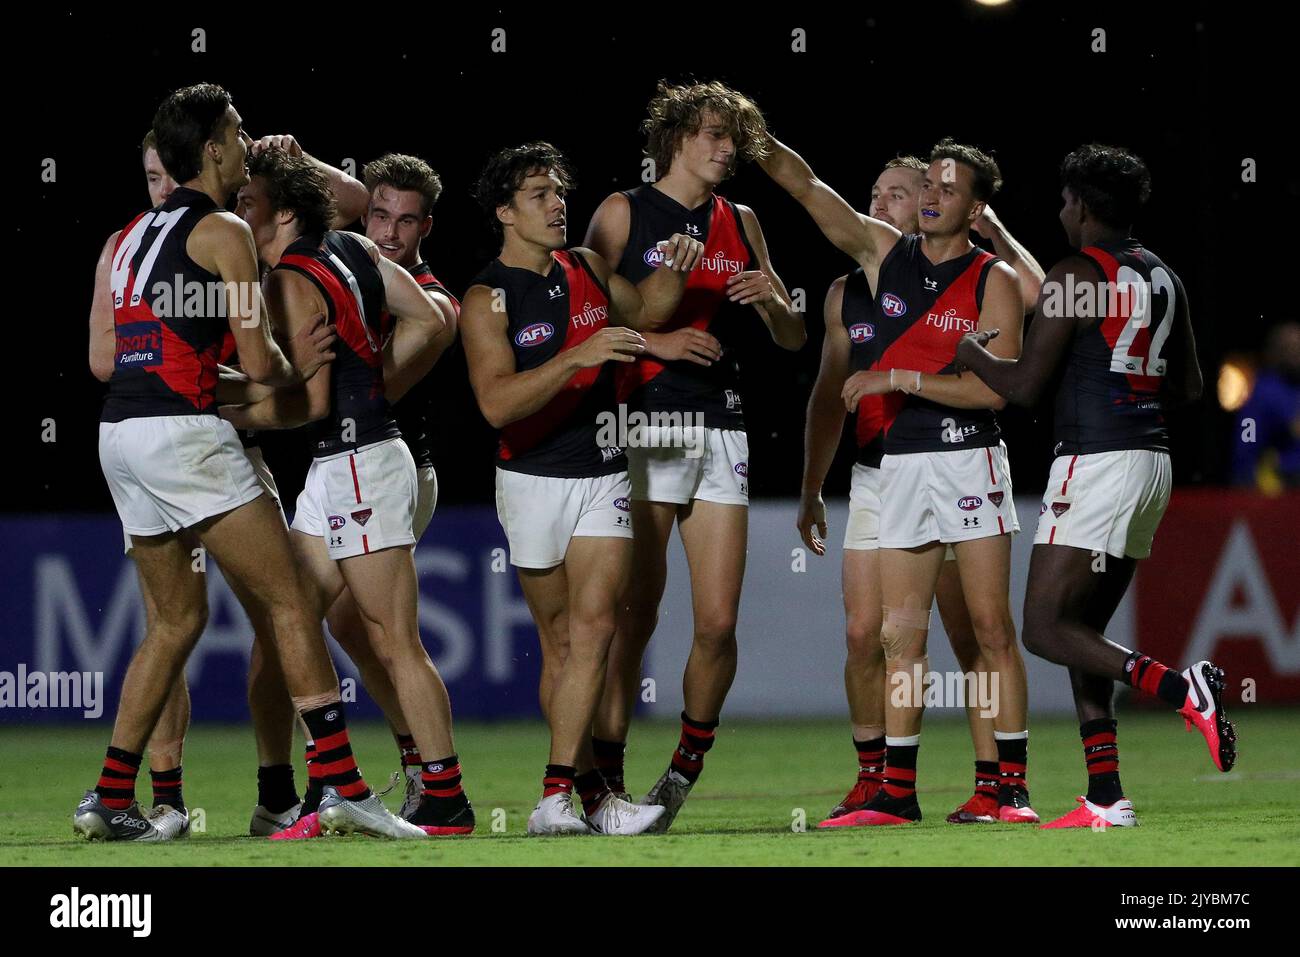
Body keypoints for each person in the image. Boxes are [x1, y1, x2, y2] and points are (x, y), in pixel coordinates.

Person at [78, 82, 422, 841]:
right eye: (235, 132)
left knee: (174, 620)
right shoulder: (226, 228)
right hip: (185, 440)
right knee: (292, 600)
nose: (244, 142)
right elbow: (259, 359)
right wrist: (296, 369)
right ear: (211, 150)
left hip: (120, 437)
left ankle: (109, 795)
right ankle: (345, 785)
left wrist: (235, 376)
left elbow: (138, 357)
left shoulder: (132, 235)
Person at [760, 135, 1037, 826]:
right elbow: (808, 188)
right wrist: (757, 141)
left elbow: (996, 392)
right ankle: (894, 790)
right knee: (895, 637)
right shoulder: (882, 261)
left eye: (948, 188)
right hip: (897, 467)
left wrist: (900, 376)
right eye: (931, 185)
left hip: (970, 458)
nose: (936, 195)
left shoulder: (991, 279)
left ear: (973, 207)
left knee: (989, 628)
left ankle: (1006, 789)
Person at [956, 143, 1234, 828]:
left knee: (1046, 626)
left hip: (1096, 460)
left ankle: (1180, 687)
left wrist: (970, 353)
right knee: (1085, 630)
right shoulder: (1164, 275)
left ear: (1080, 205)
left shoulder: (1076, 272)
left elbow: (1022, 388)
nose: (1060, 209)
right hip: (1152, 464)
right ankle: (1106, 795)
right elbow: (1192, 385)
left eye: (1063, 199)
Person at [223, 147, 468, 835]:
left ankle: (444, 795)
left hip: (360, 460)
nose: (240, 210)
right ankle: (331, 782)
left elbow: (308, 401)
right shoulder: (350, 248)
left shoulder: (290, 280)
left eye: (252, 200)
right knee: (291, 616)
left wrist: (220, 403)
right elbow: (424, 317)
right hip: (341, 463)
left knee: (393, 638)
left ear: (285, 211)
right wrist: (368, 381)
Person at [462, 141, 702, 834]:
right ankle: (588, 793)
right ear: (506, 211)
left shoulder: (589, 267)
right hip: (531, 479)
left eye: (560, 190)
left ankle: (557, 796)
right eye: (539, 193)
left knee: (599, 624)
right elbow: (498, 405)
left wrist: (672, 271)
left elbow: (650, 309)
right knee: (562, 639)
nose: (557, 202)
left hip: (603, 471)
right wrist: (578, 356)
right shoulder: (487, 297)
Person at [585, 81, 804, 831]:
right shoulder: (623, 211)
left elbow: (792, 339)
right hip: (645, 424)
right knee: (631, 614)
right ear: (672, 138)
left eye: (731, 138)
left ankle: (682, 769)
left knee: (716, 622)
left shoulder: (741, 219)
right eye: (710, 134)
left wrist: (774, 301)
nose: (723, 149)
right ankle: (605, 781)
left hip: (722, 425)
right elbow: (584, 314)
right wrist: (659, 340)